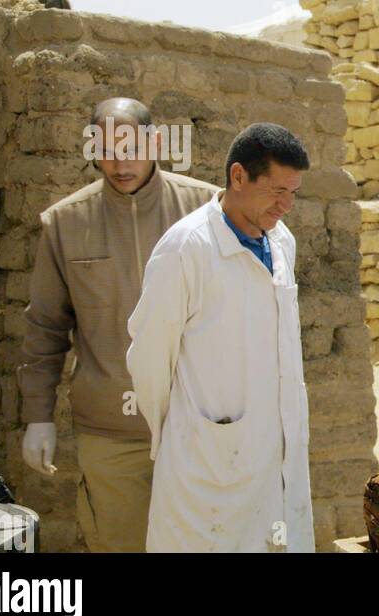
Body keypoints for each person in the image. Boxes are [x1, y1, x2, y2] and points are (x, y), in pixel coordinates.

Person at [17, 97, 218, 552]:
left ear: (157, 142)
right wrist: (38, 418)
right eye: (106, 149)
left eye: (130, 147)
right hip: (111, 435)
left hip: (198, 428)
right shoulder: (65, 223)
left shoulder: (207, 210)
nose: (119, 162)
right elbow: (45, 328)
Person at [126, 123, 314, 552]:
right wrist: (183, 432)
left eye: (293, 193)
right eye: (275, 191)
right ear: (238, 177)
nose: (285, 205)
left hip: (275, 457)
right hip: (207, 464)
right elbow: (150, 359)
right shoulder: (186, 248)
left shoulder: (282, 242)